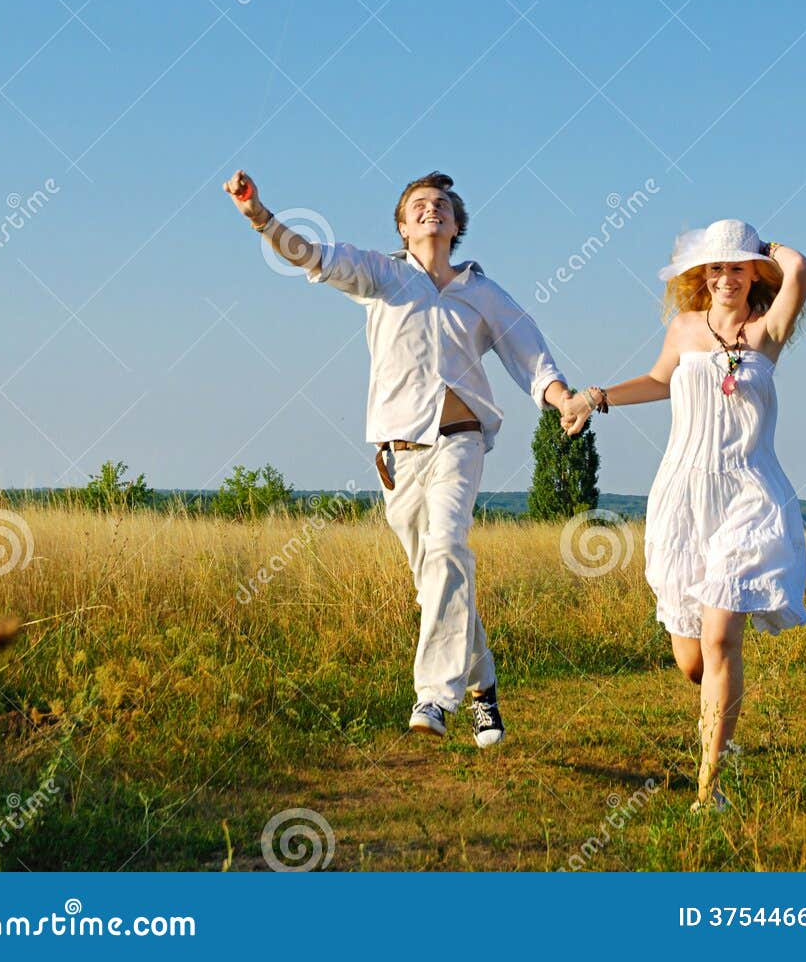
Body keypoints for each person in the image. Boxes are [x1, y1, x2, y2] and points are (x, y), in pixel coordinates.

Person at [223, 167, 581, 747]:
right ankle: (484, 687)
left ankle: (434, 697)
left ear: (457, 225)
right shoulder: (381, 275)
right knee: (436, 579)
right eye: (418, 204)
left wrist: (562, 399)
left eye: (441, 204)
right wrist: (260, 216)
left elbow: (531, 355)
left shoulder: (483, 293)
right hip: (398, 455)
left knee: (447, 548)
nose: (430, 208)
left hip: (460, 440)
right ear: (402, 227)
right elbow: (310, 255)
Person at [560, 219, 806, 811]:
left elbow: (800, 269)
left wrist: (765, 246)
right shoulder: (685, 327)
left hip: (749, 494)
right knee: (695, 660)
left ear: (756, 274)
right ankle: (721, 700)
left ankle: (709, 787)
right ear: (703, 275)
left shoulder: (768, 331)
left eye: (738, 266)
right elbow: (658, 380)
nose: (726, 277)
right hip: (683, 495)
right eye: (716, 267)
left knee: (722, 637)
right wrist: (596, 397)